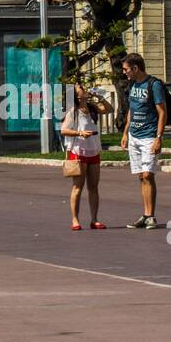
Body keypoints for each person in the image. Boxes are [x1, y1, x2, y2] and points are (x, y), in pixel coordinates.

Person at [120, 53, 166, 230]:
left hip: (149, 135)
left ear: (135, 68)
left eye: (126, 69)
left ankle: (151, 215)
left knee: (148, 174)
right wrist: (125, 133)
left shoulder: (154, 85)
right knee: (141, 176)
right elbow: (132, 110)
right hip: (134, 135)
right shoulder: (133, 84)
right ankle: (146, 215)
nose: (124, 73)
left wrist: (158, 138)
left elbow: (162, 112)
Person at [61, 81, 112, 230]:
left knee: (93, 186)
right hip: (78, 152)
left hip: (93, 150)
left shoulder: (92, 108)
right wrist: (80, 133)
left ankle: (94, 219)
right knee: (78, 187)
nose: (85, 89)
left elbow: (109, 109)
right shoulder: (73, 112)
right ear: (77, 95)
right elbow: (64, 130)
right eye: (81, 88)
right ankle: (75, 220)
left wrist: (99, 97)